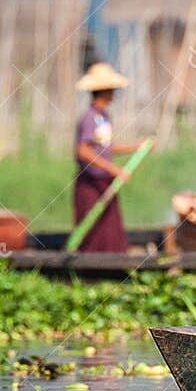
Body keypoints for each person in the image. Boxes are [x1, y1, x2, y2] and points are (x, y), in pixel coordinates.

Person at [73, 62, 144, 253]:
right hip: (91, 183)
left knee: (111, 229)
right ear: (103, 91)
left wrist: (134, 148)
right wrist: (113, 169)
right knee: (93, 231)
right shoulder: (89, 117)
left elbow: (105, 148)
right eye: (111, 89)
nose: (114, 92)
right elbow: (84, 151)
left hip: (105, 182)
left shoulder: (103, 116)